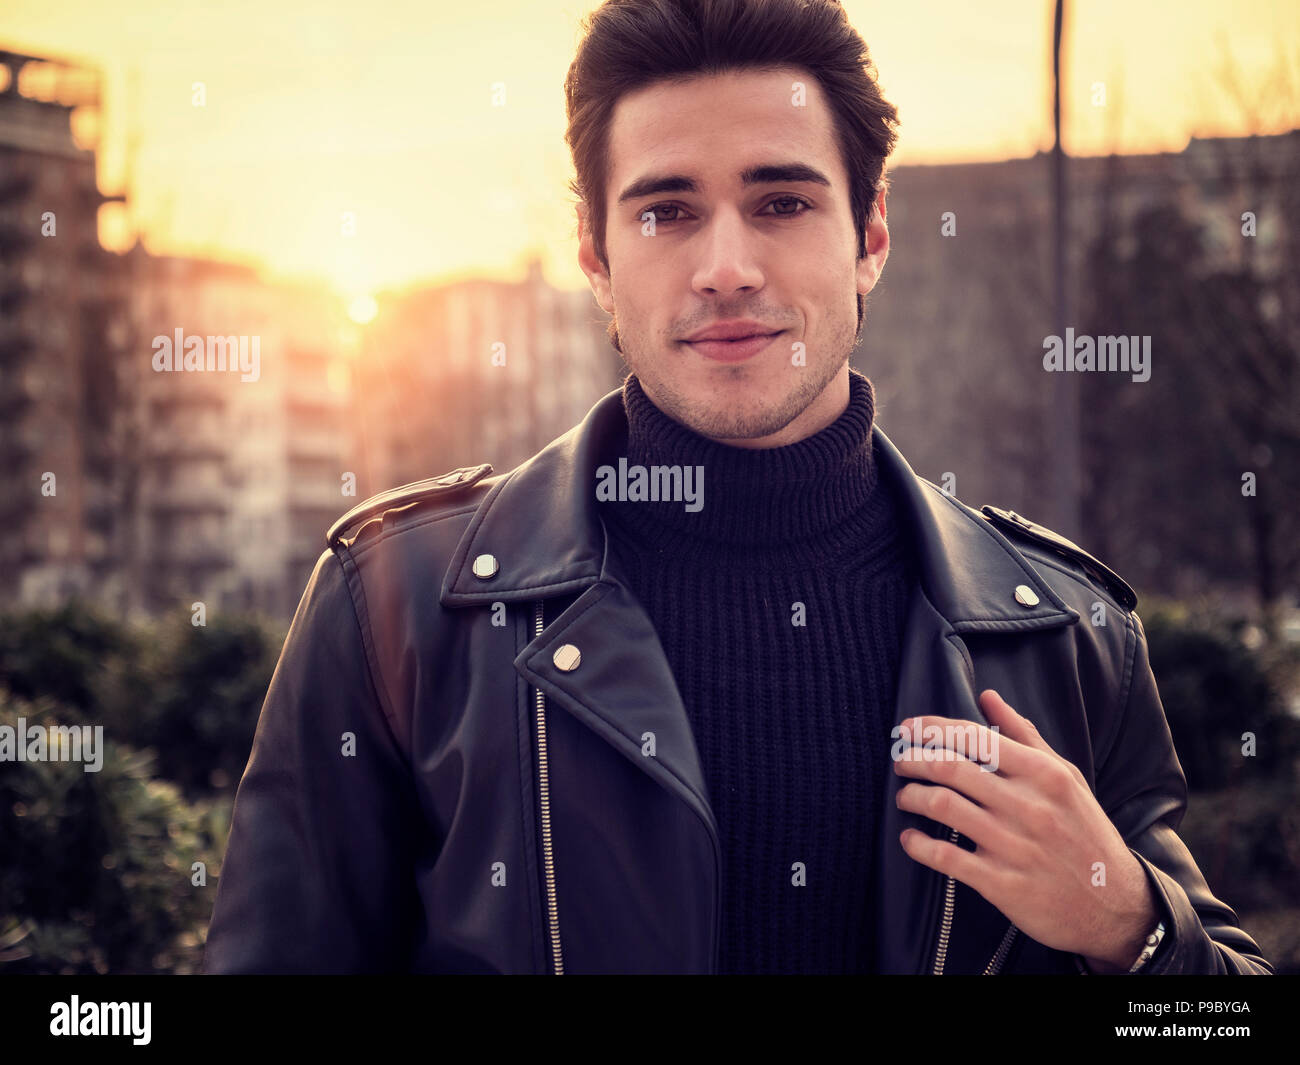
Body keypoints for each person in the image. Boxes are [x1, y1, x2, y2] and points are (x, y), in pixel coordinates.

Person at [202, 0, 1272, 974]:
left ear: (872, 236)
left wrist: (1129, 924)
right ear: (594, 254)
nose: (725, 265)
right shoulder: (396, 609)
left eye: (781, 202)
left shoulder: (1067, 635)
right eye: (666, 212)